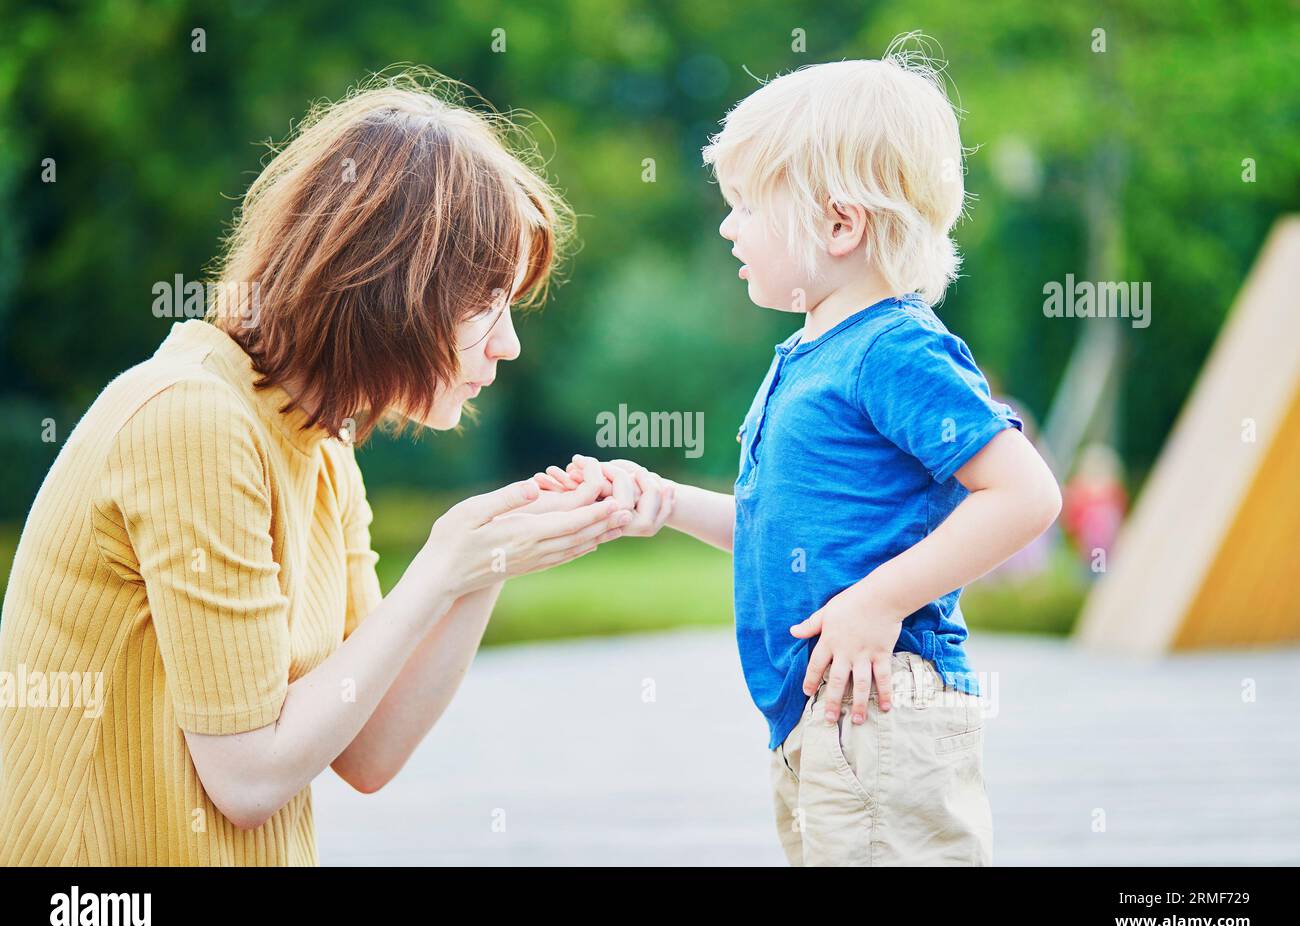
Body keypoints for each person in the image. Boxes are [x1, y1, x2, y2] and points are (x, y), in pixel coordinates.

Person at [0, 74, 635, 866]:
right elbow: (248, 778)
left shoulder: (321, 446)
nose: (508, 344)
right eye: (487, 303)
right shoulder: (192, 419)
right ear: (390, 287)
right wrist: (441, 567)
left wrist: (487, 561)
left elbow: (368, 750)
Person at [540, 45, 1061, 866]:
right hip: (821, 720)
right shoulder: (810, 357)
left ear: (840, 224)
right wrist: (665, 501)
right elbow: (783, 529)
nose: (728, 226)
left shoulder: (893, 349)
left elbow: (1026, 495)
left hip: (882, 708)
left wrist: (880, 602)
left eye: (747, 206)